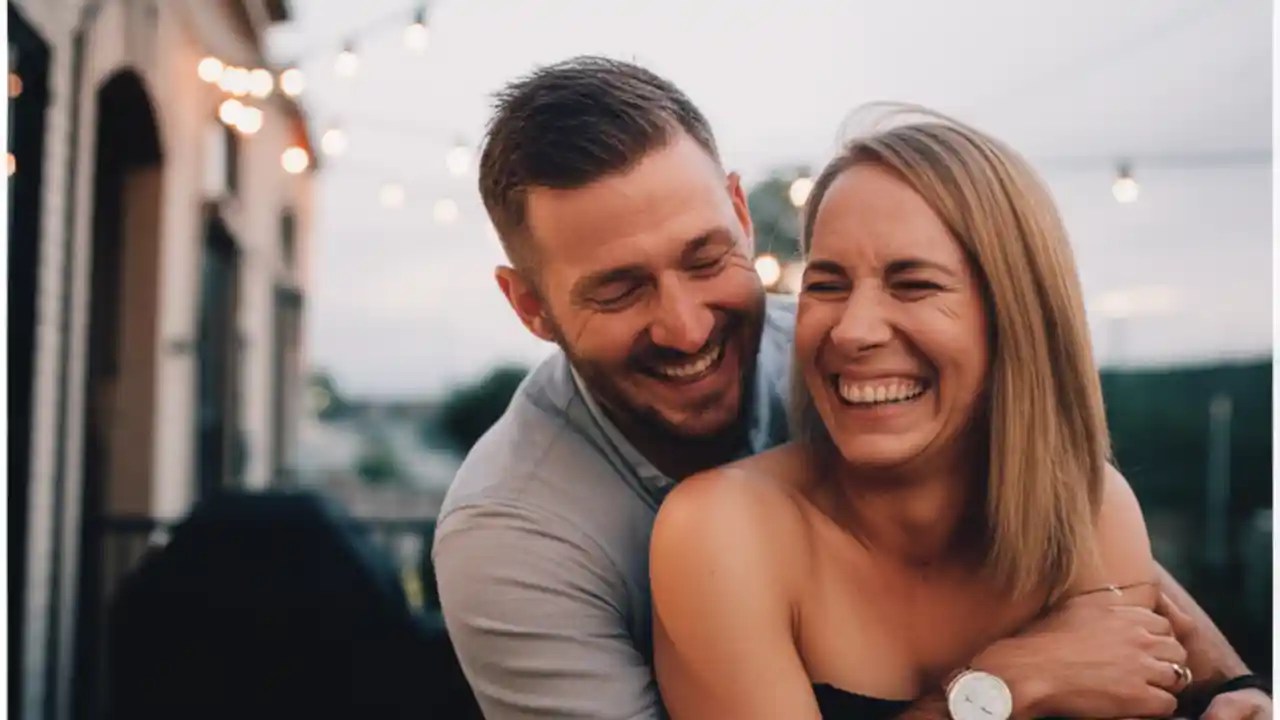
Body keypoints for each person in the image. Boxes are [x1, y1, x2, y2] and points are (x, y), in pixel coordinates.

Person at [433, 56, 1270, 720]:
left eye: (704, 258)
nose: (688, 327)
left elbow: (1084, 536)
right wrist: (1001, 688)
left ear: (741, 214)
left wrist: (1226, 687)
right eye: (618, 289)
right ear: (530, 306)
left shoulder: (844, 341)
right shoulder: (513, 541)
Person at [648, 109, 1269, 719]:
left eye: (914, 284)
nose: (854, 331)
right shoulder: (719, 532)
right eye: (828, 284)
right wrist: (1000, 687)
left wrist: (1233, 688)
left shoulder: (1090, 510)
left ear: (1015, 320)